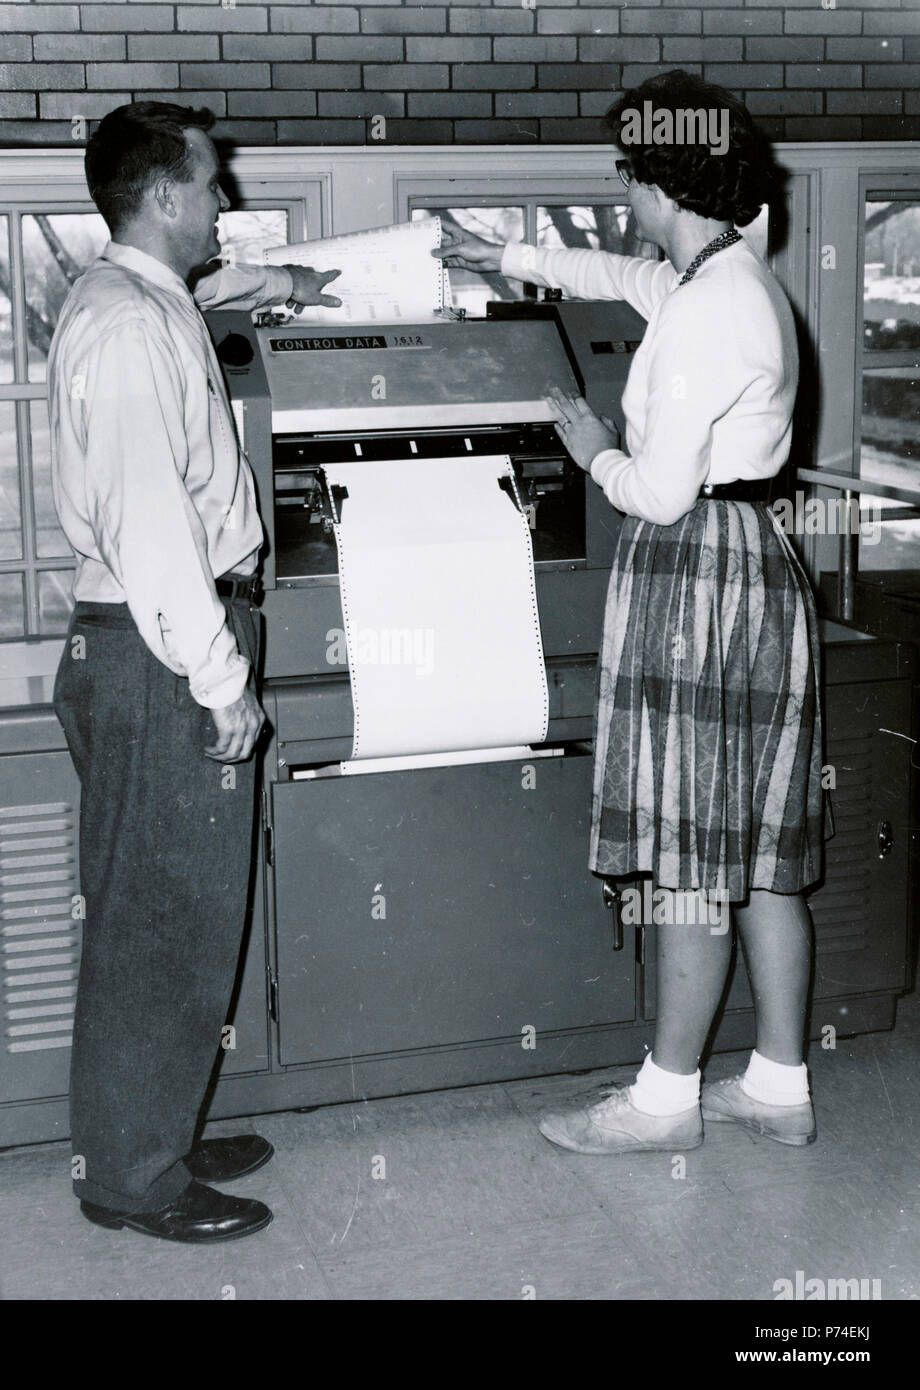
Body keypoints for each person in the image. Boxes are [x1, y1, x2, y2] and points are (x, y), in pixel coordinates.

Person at [438, 71, 824, 1154]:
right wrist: (505, 257)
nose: (620, 187)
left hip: (696, 568)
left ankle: (664, 1103)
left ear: (659, 178)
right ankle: (781, 1087)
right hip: (749, 566)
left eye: (627, 168)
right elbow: (620, 275)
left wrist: (586, 448)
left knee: (693, 853)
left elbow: (655, 492)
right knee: (755, 849)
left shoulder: (709, 311)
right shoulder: (730, 279)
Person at [48, 101, 340, 1241]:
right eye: (212, 184)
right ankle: (130, 1175)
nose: (226, 200)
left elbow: (188, 313)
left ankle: (148, 1124)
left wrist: (260, 289)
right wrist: (224, 680)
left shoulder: (139, 301)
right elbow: (153, 526)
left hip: (146, 640)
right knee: (156, 923)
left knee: (176, 914)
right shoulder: (127, 329)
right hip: (160, 648)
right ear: (163, 197)